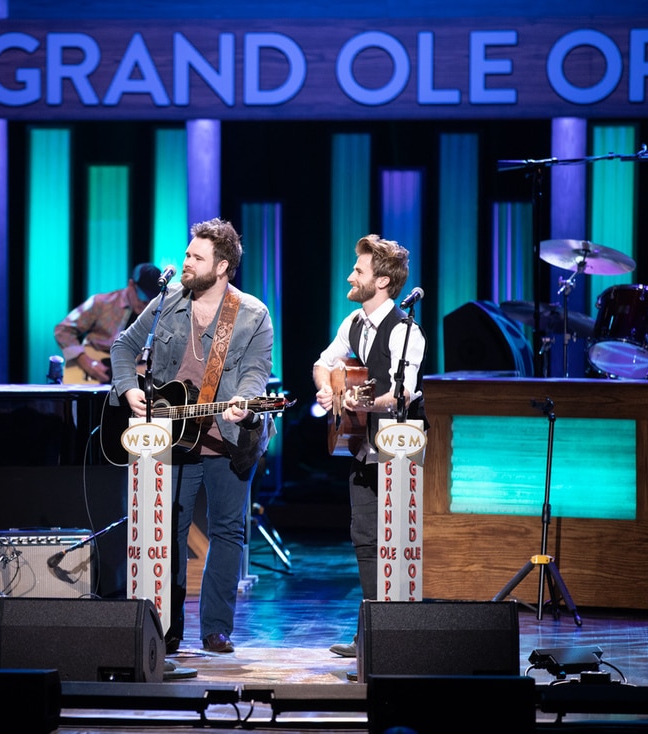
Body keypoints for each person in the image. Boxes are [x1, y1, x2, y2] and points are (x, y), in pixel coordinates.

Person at [110, 218, 274, 655]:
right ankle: (167, 626)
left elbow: (257, 371)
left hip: (226, 438)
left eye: (196, 257)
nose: (185, 262)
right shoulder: (167, 300)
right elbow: (123, 347)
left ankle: (216, 629)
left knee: (227, 532)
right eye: (187, 254)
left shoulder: (252, 313)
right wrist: (128, 388)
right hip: (171, 437)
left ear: (221, 267)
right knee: (167, 532)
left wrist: (244, 400)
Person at [312, 234, 427, 659]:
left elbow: (402, 393)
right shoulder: (354, 323)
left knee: (396, 540)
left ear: (381, 281)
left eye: (358, 270)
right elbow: (323, 362)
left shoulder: (406, 331)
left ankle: (400, 634)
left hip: (399, 445)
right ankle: (371, 632)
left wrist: (364, 401)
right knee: (364, 534)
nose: (349, 276)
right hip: (362, 443)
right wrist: (329, 390)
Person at [55, 262, 162, 383]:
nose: (146, 303)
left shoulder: (158, 315)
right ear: (131, 285)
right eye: (142, 296)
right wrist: (85, 362)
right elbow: (63, 330)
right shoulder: (101, 303)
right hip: (88, 378)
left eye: (151, 299)